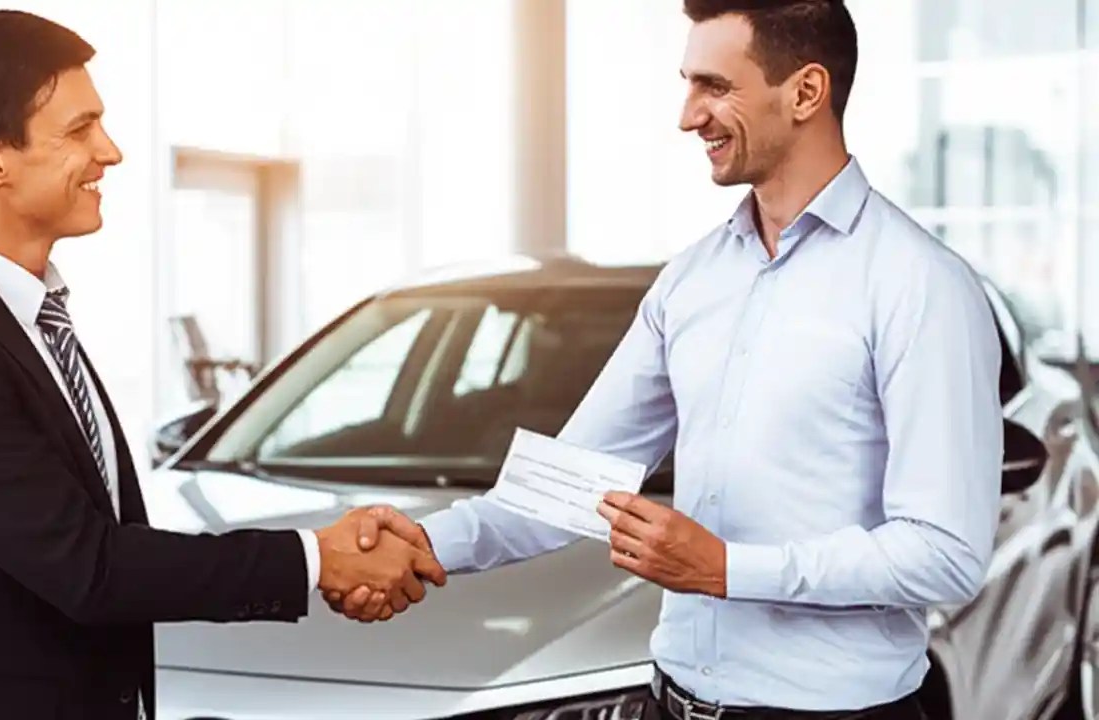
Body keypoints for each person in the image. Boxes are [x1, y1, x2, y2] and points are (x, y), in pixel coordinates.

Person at [329, 1, 1003, 718]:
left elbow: (946, 553)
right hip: (670, 704)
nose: (688, 117)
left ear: (806, 92)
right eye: (688, 85)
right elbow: (571, 485)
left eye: (715, 86)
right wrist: (417, 541)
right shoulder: (692, 280)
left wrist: (726, 569)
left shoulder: (920, 285)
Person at [0, 10, 442, 720]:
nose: (111, 152)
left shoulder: (32, 316)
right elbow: (90, 566)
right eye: (79, 130)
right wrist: (318, 559)